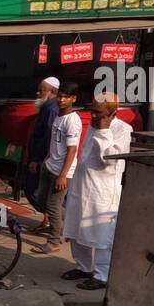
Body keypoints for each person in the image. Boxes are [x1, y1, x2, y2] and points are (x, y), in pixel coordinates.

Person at [61, 96, 132, 291]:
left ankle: (102, 276)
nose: (93, 116)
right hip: (82, 186)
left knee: (101, 234)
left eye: (98, 113)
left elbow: (108, 160)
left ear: (112, 113)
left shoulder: (123, 130)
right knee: (76, 230)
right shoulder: (93, 125)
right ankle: (83, 267)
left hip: (103, 190)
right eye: (92, 111)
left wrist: (103, 130)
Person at [30, 82, 81, 256]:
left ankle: (53, 242)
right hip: (49, 165)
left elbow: (72, 149)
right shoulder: (58, 116)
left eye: (67, 97)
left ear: (73, 99)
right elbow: (54, 143)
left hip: (62, 171)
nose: (62, 100)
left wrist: (63, 175)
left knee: (53, 206)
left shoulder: (72, 121)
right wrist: (45, 160)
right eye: (60, 96)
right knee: (40, 200)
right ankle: (69, 224)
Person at [25, 76, 61, 211]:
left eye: (41, 91)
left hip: (42, 159)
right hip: (38, 156)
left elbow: (48, 136)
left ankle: (52, 218)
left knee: (33, 191)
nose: (38, 93)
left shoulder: (51, 110)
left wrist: (37, 159)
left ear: (52, 92)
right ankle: (48, 218)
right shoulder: (46, 108)